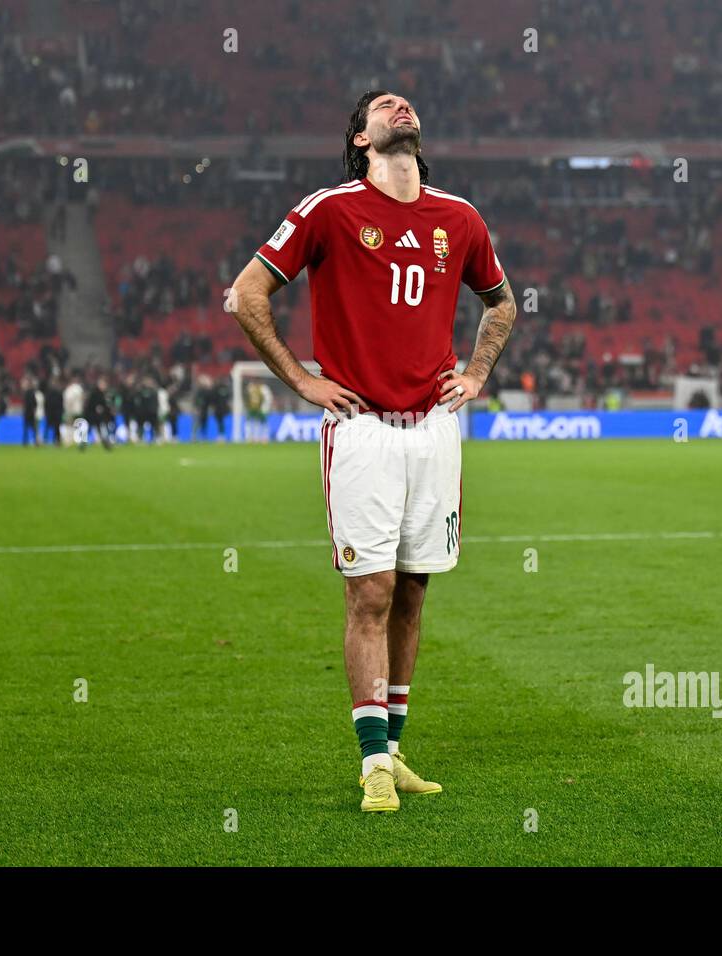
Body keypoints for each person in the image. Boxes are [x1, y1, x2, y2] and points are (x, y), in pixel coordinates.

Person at [229, 90, 516, 812]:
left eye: (406, 101)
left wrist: (477, 372)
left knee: (414, 591)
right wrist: (299, 377)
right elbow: (246, 293)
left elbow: (503, 302)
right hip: (362, 431)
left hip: (434, 429)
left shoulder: (460, 217)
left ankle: (394, 749)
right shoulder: (330, 209)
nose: (400, 106)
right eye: (383, 106)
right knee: (371, 593)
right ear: (361, 137)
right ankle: (371, 766)